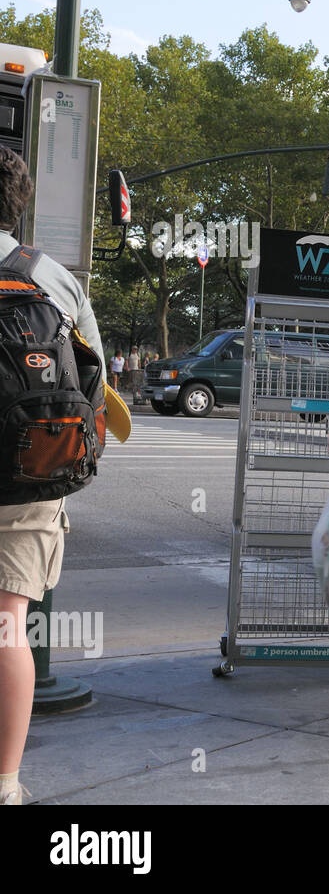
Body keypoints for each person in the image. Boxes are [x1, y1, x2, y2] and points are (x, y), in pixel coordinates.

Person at [0, 146, 106, 804]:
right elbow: (96, 377)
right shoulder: (48, 274)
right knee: (9, 625)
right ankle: (6, 783)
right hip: (29, 479)